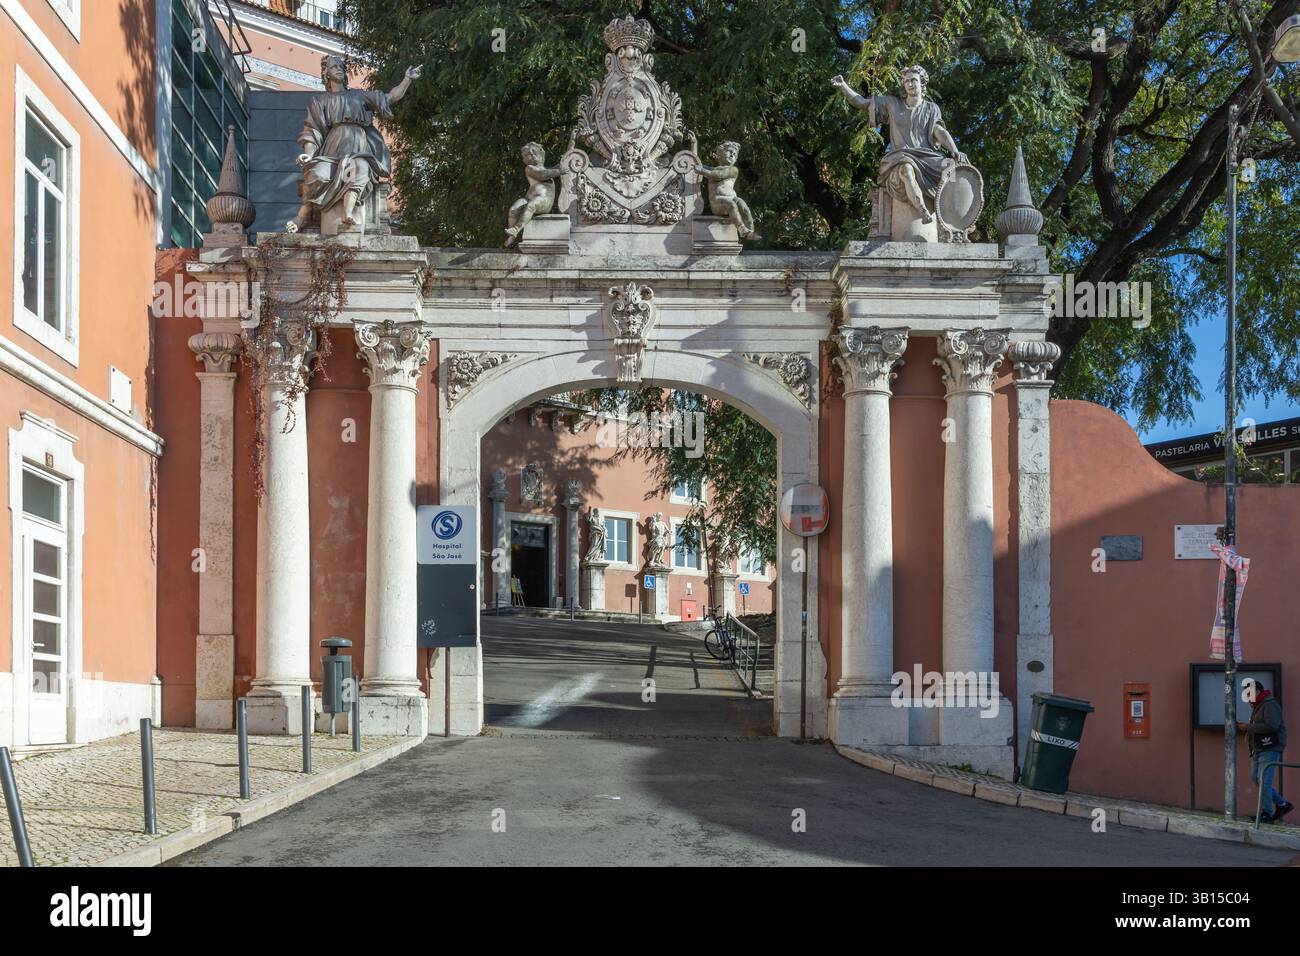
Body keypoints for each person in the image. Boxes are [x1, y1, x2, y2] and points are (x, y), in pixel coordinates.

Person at [830, 65, 968, 223]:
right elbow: (862, 103)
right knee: (907, 169)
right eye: (906, 81)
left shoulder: (932, 109)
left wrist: (955, 151)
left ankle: (951, 219)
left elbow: (940, 132)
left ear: (922, 83)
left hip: (927, 157)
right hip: (900, 157)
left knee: (951, 167)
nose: (909, 84)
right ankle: (922, 210)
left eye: (913, 80)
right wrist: (844, 87)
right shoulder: (892, 104)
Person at [1240, 678, 1292, 823]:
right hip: (1260, 747)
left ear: (1257, 691)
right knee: (1256, 778)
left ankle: (1267, 814)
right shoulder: (1258, 705)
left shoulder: (1269, 704)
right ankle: (1282, 804)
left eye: (1249, 693)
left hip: (1270, 747)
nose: (1248, 696)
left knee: (1264, 780)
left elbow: (1272, 725)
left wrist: (1248, 727)